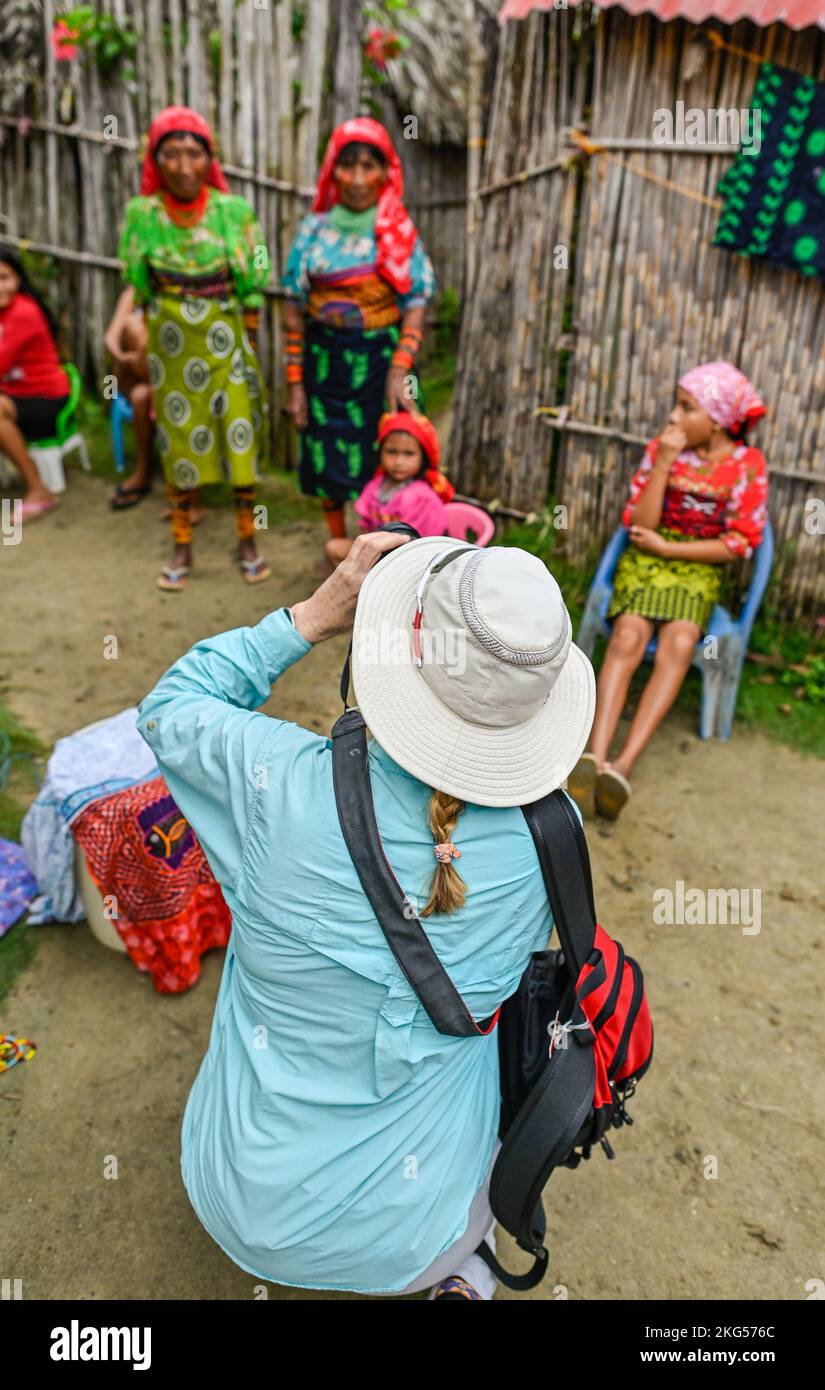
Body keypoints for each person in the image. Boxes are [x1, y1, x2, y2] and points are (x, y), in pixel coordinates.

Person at [137, 532, 595, 1299]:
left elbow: (170, 708)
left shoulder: (270, 781)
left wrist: (318, 611)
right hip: (412, 1239)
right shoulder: (553, 839)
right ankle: (467, 1274)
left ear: (386, 649)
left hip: (236, 1200)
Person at [567, 361, 768, 822]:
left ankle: (623, 766)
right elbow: (640, 525)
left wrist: (675, 552)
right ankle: (595, 760)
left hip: (697, 568)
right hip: (646, 559)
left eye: (686, 408)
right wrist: (661, 464)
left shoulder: (747, 467)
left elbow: (739, 543)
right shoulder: (664, 449)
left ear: (716, 419)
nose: (673, 418)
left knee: (679, 643)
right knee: (627, 637)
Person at [117, 105, 271, 590]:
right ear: (155, 160)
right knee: (179, 441)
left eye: (194, 154)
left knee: (240, 434)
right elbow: (137, 283)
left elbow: (255, 279)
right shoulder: (142, 214)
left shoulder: (235, 212)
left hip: (227, 341)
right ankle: (182, 548)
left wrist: (248, 339)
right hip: (172, 345)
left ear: (210, 158)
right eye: (171, 155)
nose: (184, 167)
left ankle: (248, 541)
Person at [281, 117, 436, 546]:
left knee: (392, 453)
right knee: (326, 453)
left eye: (369, 166)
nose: (357, 179)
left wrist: (398, 370)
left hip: (381, 363)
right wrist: (296, 384)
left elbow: (417, 302)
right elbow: (293, 306)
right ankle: (339, 552)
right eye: (347, 166)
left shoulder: (396, 228)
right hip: (325, 363)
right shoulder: (314, 229)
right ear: (332, 171)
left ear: (387, 172)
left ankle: (385, 560)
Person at [105, 287, 207, 521]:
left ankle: (193, 499)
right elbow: (111, 337)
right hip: (146, 376)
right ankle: (146, 473)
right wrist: (125, 359)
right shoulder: (134, 293)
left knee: (161, 401)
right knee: (144, 396)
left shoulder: (181, 289)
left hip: (178, 375)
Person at [325, 411, 453, 568]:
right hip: (376, 552)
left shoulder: (422, 498)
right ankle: (362, 590)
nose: (399, 461)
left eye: (409, 454)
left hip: (406, 563)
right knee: (333, 548)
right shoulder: (375, 486)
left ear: (423, 457)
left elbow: (419, 548)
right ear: (380, 452)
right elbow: (366, 527)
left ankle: (372, 588)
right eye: (392, 451)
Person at [0, 249, 69, 522]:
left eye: (4, 277)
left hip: (46, 401)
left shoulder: (23, 312)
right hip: (17, 396)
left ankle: (39, 490)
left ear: (18, 279)